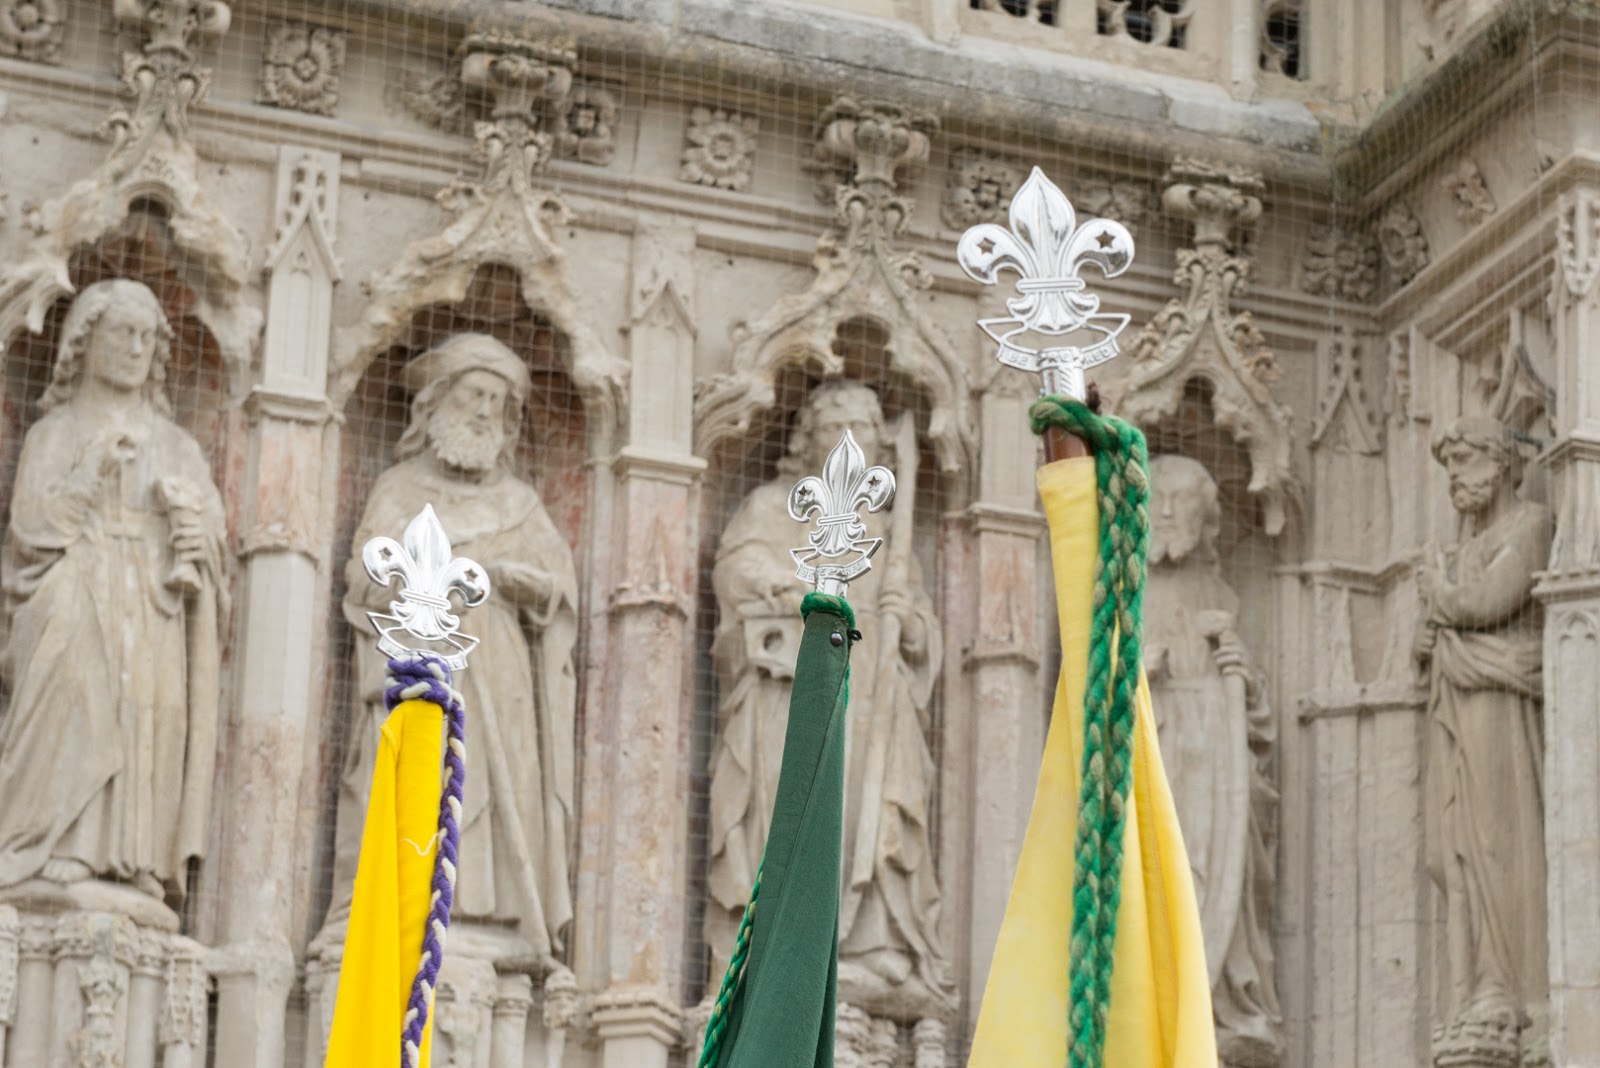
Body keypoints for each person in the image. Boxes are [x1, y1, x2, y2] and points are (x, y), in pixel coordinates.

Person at [322, 332, 577, 965]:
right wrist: (434, 578)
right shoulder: (401, 490)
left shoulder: (521, 504)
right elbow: (363, 578)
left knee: (496, 777)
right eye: (474, 395)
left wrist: (512, 578)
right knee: (423, 776)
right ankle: (403, 907)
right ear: (436, 404)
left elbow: (556, 591)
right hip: (421, 663)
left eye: (499, 400)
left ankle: (490, 910)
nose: (487, 411)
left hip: (501, 664)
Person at [705, 379, 952, 1016]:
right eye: (833, 427)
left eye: (864, 430)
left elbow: (919, 627)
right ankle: (768, 941)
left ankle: (869, 940)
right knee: (781, 800)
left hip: (873, 693)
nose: (849, 441)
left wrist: (910, 621)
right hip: (790, 685)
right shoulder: (771, 506)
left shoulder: (886, 529)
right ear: (806, 439)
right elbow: (737, 570)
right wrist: (795, 592)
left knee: (872, 806)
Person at [0, 278, 228, 905]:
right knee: (73, 697)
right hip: (74, 589)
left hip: (151, 602)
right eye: (120, 332)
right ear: (85, 341)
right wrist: (90, 470)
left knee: (146, 713)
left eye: (147, 336)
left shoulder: (177, 444)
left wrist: (195, 535)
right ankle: (61, 841)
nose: (135, 347)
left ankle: (133, 860)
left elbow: (211, 540)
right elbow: (30, 530)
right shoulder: (55, 431)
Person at [1414, 417, 1550, 1042]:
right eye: (1449, 469)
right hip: (1458, 710)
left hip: (1498, 703)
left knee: (1498, 839)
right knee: (1452, 849)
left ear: (1498, 462)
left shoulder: (1531, 526)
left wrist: (1436, 592)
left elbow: (1486, 604)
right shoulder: (1466, 546)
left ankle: (1508, 985)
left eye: (1464, 463)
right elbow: (1443, 628)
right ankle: (1469, 986)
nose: (1454, 481)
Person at [1144, 454, 1281, 1066]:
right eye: (1159, 499)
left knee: (1218, 862)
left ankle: (1220, 991)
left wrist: (1242, 679)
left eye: (1182, 500)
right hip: (1159, 748)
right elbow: (1082, 688)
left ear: (1208, 519)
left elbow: (1256, 722)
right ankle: (1150, 991)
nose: (1168, 511)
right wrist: (1138, 670)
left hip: (1216, 762)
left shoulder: (1223, 593)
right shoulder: (1121, 587)